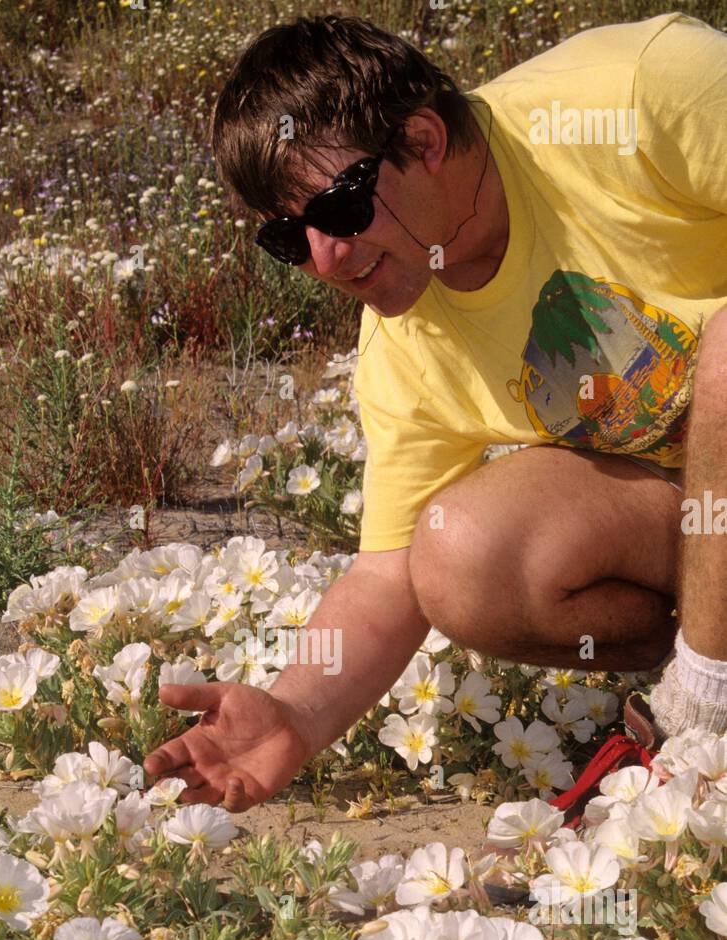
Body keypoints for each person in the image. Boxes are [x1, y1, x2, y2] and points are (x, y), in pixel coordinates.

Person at [144, 10, 727, 812]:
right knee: (461, 557)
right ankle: (713, 660)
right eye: (290, 238)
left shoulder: (641, 92)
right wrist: (294, 711)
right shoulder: (406, 338)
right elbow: (383, 574)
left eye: (340, 211)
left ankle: (700, 717)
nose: (326, 260)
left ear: (422, 141)